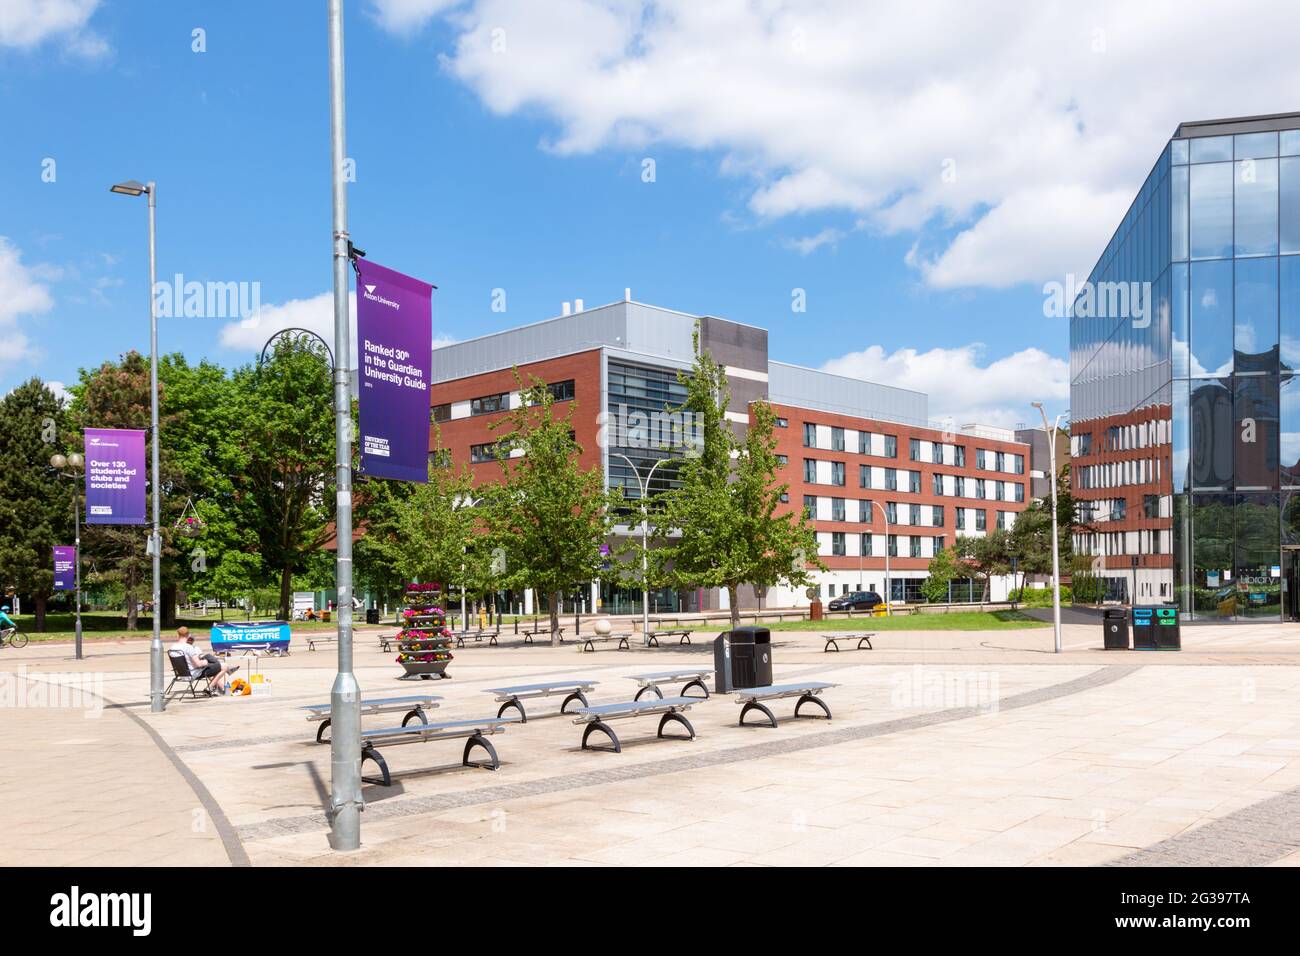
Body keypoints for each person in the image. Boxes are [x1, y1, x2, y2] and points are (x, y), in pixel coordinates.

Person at [171, 625, 238, 695]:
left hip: (181, 674)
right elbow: (198, 664)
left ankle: (219, 686)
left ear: (178, 635)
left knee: (215, 664)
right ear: (188, 635)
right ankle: (209, 688)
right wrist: (206, 662)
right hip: (193, 673)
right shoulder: (189, 647)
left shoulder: (173, 647)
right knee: (224, 666)